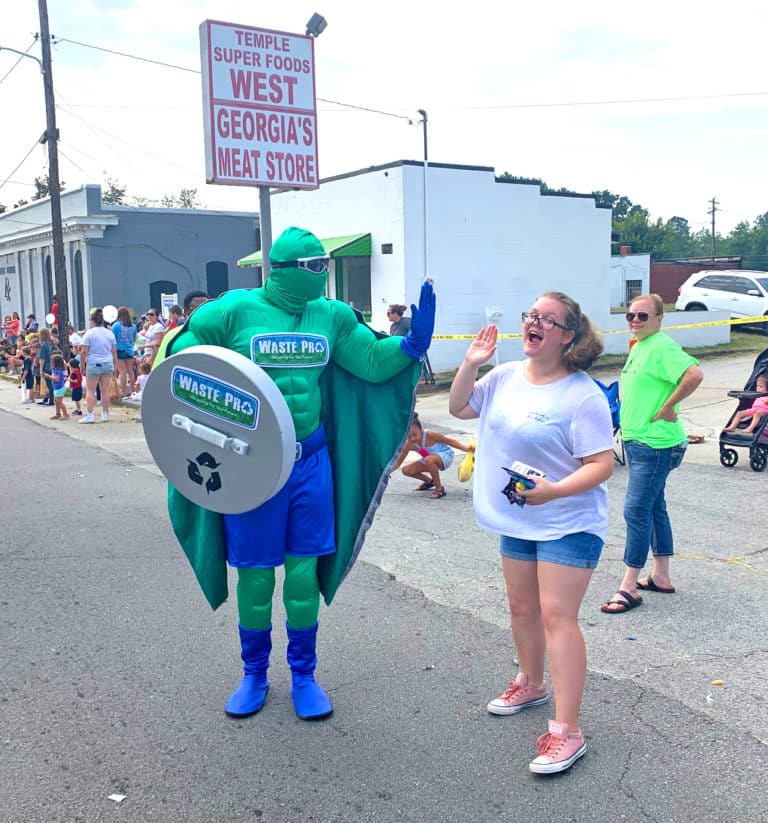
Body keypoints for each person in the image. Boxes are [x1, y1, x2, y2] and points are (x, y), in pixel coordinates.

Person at [156, 226, 434, 721]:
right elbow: (181, 362)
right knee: (257, 575)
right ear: (281, 268)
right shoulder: (233, 310)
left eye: (324, 264)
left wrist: (409, 345)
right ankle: (254, 673)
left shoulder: (331, 315)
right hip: (251, 463)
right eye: (312, 266)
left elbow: (370, 363)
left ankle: (304, 672)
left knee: (303, 573)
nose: (322, 274)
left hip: (310, 460)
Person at [449, 291, 614, 775]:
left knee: (556, 616)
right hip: (519, 518)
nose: (533, 323)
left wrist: (556, 490)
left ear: (567, 336)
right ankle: (532, 682)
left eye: (547, 319)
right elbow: (460, 407)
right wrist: (470, 362)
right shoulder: (502, 377)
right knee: (521, 608)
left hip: (568, 520)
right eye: (531, 315)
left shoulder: (582, 394)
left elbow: (602, 464)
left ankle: (568, 731)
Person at [602, 294, 703, 612]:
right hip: (640, 441)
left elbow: (694, 374)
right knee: (654, 507)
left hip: (656, 445)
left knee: (636, 511)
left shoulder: (661, 346)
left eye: (642, 316)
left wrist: (669, 405)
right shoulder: (639, 346)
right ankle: (661, 576)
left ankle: (628, 586)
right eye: (630, 315)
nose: (635, 320)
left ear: (659, 318)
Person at [392, 412, 474, 499]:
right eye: (408, 436)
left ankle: (439, 489)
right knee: (406, 470)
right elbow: (398, 463)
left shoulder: (430, 434)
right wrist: (385, 473)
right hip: (429, 459)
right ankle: (430, 482)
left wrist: (466, 448)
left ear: (421, 429)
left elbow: (449, 441)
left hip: (445, 455)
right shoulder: (409, 444)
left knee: (428, 459)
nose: (412, 439)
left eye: (414, 434)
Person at [78, 308, 118, 424]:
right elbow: (114, 351)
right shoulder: (110, 333)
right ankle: (105, 413)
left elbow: (84, 351)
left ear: (92, 321)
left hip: (94, 363)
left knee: (90, 391)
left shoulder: (89, 334)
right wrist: (115, 364)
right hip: (107, 363)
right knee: (104, 391)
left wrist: (82, 365)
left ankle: (90, 414)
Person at [111, 306, 137, 397]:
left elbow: (112, 337)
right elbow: (134, 338)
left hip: (119, 349)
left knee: (122, 371)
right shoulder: (133, 326)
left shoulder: (116, 325)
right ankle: (132, 390)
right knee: (130, 371)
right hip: (129, 349)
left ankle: (123, 391)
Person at [45, 353, 70, 420]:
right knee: (56, 401)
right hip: (57, 387)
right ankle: (58, 413)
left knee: (59, 402)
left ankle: (65, 414)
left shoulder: (57, 370)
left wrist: (48, 376)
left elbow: (56, 379)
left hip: (59, 387)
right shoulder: (56, 370)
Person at [36, 328, 54, 406]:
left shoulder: (43, 345)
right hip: (51, 365)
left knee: (49, 384)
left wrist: (41, 369)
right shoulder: (50, 344)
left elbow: (42, 358)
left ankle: (51, 400)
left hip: (46, 366)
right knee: (48, 384)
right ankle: (46, 398)